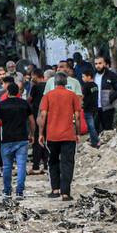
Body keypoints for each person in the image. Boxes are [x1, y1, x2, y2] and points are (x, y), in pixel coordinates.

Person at [38, 73, 87, 201]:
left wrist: (41, 134)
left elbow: (43, 116)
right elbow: (77, 116)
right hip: (68, 135)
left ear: (54, 83)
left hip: (52, 135)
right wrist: (77, 133)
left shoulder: (48, 96)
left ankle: (55, 189)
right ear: (66, 83)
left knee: (52, 161)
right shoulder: (72, 96)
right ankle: (65, 193)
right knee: (67, 163)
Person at [0, 81, 34, 204]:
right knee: (21, 166)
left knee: (7, 166)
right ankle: (19, 192)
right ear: (18, 92)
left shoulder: (1, 105)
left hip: (6, 139)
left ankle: (7, 191)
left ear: (7, 92)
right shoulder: (24, 104)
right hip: (22, 138)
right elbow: (32, 121)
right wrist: (32, 134)